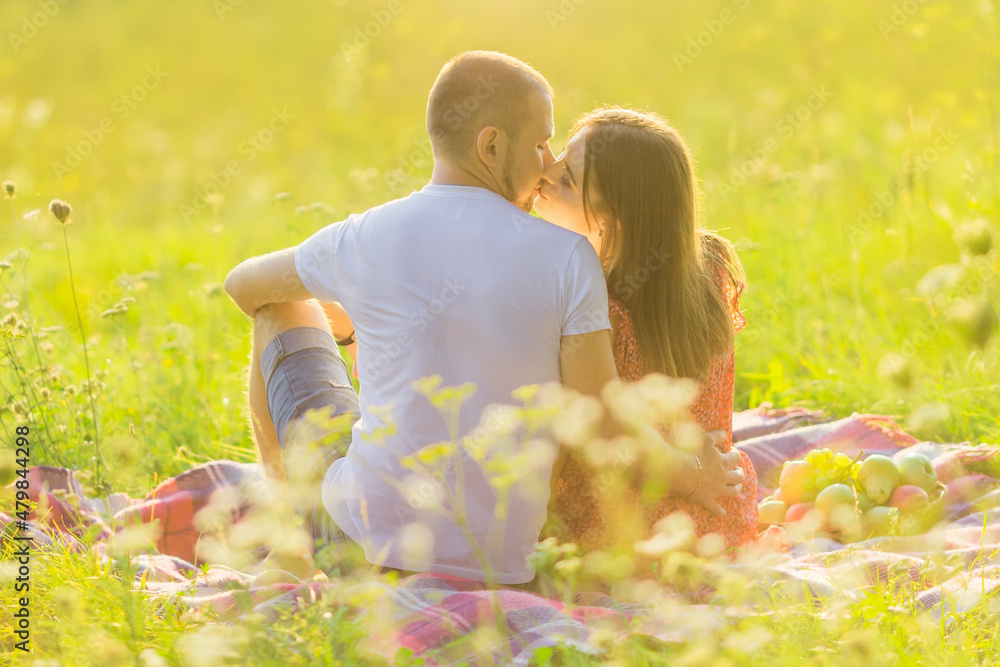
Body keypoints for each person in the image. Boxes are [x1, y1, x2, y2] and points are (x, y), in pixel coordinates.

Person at [224, 53, 741, 586]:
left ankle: (291, 547)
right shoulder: (570, 258)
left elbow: (244, 286)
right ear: (490, 146)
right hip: (506, 566)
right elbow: (600, 421)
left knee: (279, 309)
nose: (547, 165)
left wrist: (352, 319)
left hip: (362, 547)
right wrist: (692, 472)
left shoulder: (366, 235)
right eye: (541, 144)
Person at [535, 107, 758, 556]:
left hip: (626, 529)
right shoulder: (710, 263)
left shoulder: (597, 306)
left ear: (611, 221)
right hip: (719, 516)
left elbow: (606, 433)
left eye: (568, 179)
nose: (546, 173)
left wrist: (538, 519)